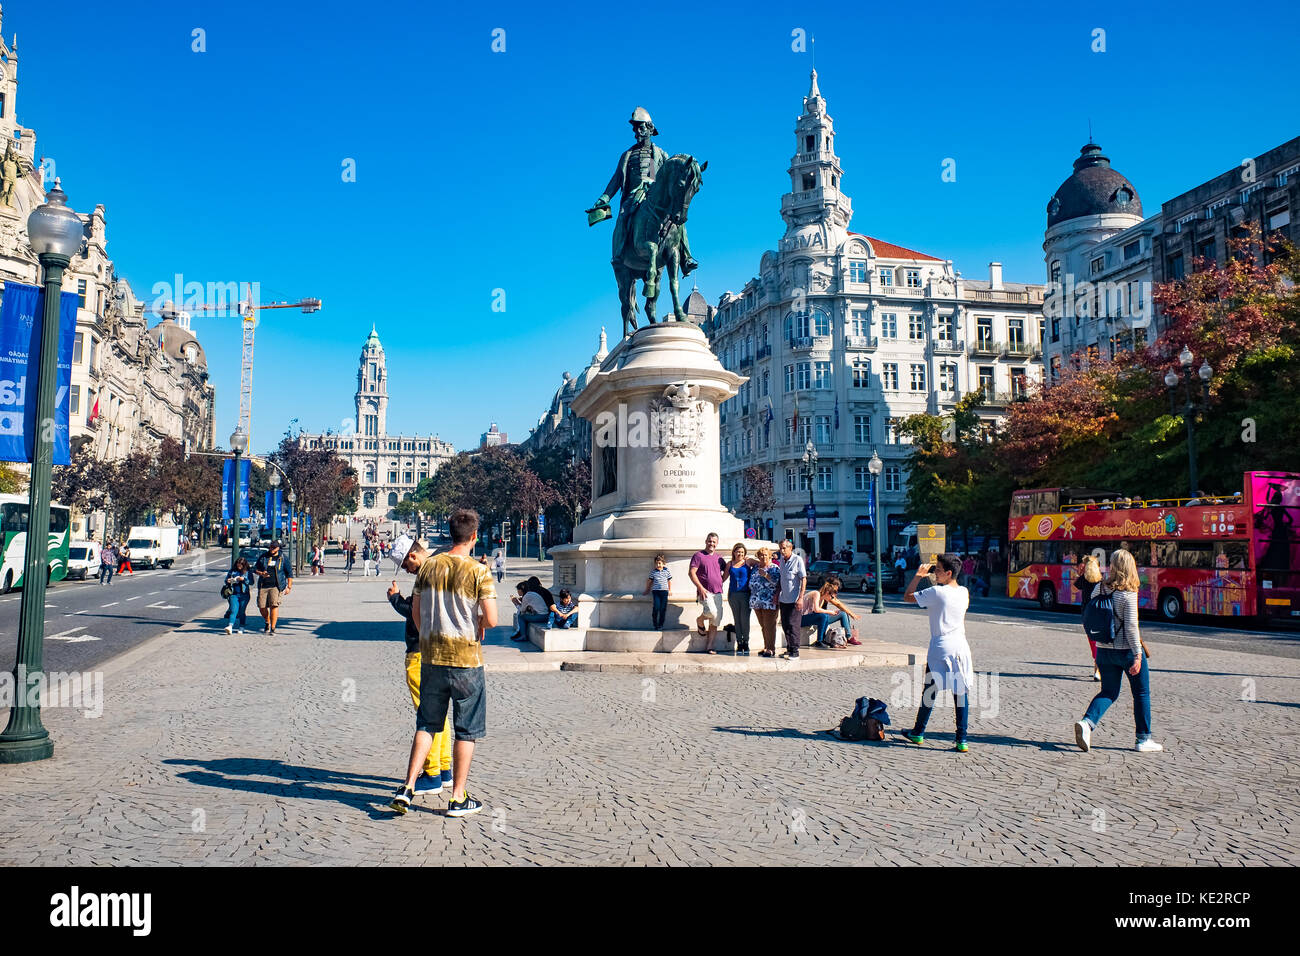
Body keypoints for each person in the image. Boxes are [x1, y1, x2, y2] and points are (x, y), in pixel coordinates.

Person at [390, 509, 496, 817]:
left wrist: (428, 636)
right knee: (466, 730)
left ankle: (408, 786)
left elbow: (416, 612)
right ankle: (457, 797)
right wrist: (479, 622)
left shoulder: (429, 567)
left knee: (426, 724)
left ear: (450, 533)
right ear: (474, 536)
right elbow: (492, 619)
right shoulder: (478, 571)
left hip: (432, 658)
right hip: (466, 660)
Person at [1074, 549, 1162, 753]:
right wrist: (1138, 655)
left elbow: (1091, 610)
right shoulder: (1128, 593)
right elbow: (1131, 627)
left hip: (1104, 650)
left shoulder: (1099, 588)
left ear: (1113, 566)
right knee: (1141, 693)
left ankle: (1087, 723)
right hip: (1126, 651)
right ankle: (1143, 739)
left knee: (1108, 692)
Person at [388, 564, 453, 796]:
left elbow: (415, 611)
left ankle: (432, 774)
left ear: (414, 555)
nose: (406, 569)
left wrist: (395, 599)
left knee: (428, 716)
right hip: (436, 651)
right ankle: (444, 769)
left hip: (419, 654)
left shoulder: (427, 576)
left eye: (406, 563)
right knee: (439, 714)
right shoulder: (441, 573)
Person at [901, 554, 973, 752]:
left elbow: (907, 596)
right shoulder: (964, 592)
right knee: (960, 693)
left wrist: (918, 576)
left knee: (930, 691)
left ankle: (918, 732)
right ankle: (962, 739)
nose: (935, 574)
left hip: (941, 646)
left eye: (938, 570)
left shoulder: (937, 592)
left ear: (949, 573)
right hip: (960, 646)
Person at [688, 533, 727, 654]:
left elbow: (727, 570)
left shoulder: (719, 558)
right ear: (706, 541)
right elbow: (691, 573)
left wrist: (721, 581)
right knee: (712, 612)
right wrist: (700, 587)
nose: (711, 543)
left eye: (714, 542)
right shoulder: (698, 555)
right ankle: (700, 621)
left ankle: (709, 646)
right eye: (710, 541)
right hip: (705, 591)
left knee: (716, 619)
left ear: (717, 543)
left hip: (718, 592)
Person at [800, 575, 861, 648]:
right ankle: (819, 641)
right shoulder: (816, 593)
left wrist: (851, 614)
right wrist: (830, 612)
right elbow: (816, 609)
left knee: (838, 614)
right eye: (831, 596)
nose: (832, 599)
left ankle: (824, 640)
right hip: (800, 618)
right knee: (824, 615)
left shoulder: (823, 598)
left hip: (811, 617)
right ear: (827, 592)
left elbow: (838, 604)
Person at [746, 547, 781, 657]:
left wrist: (766, 575)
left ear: (770, 556)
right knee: (763, 626)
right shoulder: (756, 567)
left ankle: (771, 649)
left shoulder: (774, 568)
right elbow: (748, 560)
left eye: (765, 555)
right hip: (757, 601)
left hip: (769, 601)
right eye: (761, 555)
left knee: (770, 626)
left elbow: (777, 582)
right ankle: (766, 646)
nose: (763, 557)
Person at [253, 540, 293, 635]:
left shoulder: (283, 558)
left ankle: (273, 628)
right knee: (261, 606)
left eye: (273, 547)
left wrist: (289, 587)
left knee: (274, 605)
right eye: (270, 547)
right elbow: (255, 569)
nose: (271, 549)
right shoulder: (264, 556)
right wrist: (261, 573)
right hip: (263, 585)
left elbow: (289, 573)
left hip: (276, 585)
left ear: (278, 548)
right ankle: (267, 621)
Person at [776, 538, 806, 659]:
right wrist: (777, 594)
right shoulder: (782, 561)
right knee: (785, 625)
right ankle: (789, 648)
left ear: (790, 548)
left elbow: (803, 579)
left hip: (794, 599)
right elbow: (781, 579)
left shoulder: (797, 560)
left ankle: (795, 651)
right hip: (784, 599)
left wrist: (801, 598)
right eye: (780, 548)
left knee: (793, 625)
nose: (782, 551)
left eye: (784, 548)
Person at [1077, 554, 1103, 681]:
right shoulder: (1100, 580)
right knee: (1098, 640)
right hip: (1098, 613)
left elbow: (1075, 586)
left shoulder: (1084, 579)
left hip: (1086, 615)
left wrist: (1081, 573)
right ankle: (1098, 668)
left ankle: (1097, 667)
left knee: (1093, 641)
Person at [725, 543, 752, 655]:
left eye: (742, 552)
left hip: (746, 594)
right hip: (733, 595)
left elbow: (761, 563)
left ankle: (746, 642)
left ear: (744, 553)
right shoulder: (730, 564)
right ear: (734, 552)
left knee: (745, 619)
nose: (740, 554)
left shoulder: (748, 562)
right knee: (737, 619)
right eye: (738, 551)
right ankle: (739, 643)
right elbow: (723, 578)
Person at [223, 557, 252, 634]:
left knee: (241, 611)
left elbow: (251, 582)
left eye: (241, 565)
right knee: (233, 610)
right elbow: (226, 580)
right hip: (233, 594)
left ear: (244, 565)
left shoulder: (247, 572)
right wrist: (228, 581)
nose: (239, 567)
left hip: (244, 595)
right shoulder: (232, 571)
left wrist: (244, 579)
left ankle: (241, 627)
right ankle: (230, 626)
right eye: (238, 565)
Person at [643, 553, 672, 629]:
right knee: (656, 607)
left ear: (663, 563)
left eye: (659, 563)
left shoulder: (666, 571)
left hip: (664, 592)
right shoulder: (654, 572)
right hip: (656, 592)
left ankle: (660, 624)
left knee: (663, 609)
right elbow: (649, 581)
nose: (658, 565)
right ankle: (655, 623)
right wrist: (647, 590)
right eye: (656, 563)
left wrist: (669, 590)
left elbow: (669, 581)